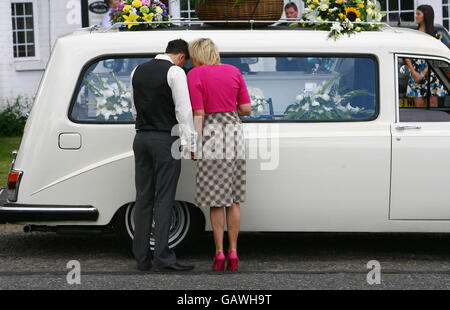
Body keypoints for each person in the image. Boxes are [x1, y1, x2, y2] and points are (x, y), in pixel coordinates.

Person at [130, 39, 197, 272]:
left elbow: (134, 108)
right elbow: (183, 110)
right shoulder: (175, 72)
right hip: (165, 139)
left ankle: (141, 258)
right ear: (181, 57)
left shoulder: (137, 70)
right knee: (165, 198)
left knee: (143, 197)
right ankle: (162, 257)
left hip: (141, 138)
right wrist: (191, 144)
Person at [187, 38, 252, 272]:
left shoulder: (195, 75)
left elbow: (199, 112)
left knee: (216, 198)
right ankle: (234, 251)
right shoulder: (234, 71)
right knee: (233, 198)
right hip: (234, 133)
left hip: (211, 135)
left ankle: (219, 252)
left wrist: (193, 143)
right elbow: (246, 109)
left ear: (197, 55)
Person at [405, 4, 447, 108]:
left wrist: (423, 73)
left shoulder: (436, 35)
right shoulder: (412, 35)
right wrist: (414, 73)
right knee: (418, 106)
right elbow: (406, 54)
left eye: (418, 14)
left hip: (432, 72)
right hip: (415, 74)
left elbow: (438, 57)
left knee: (433, 105)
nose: (416, 16)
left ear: (426, 16)